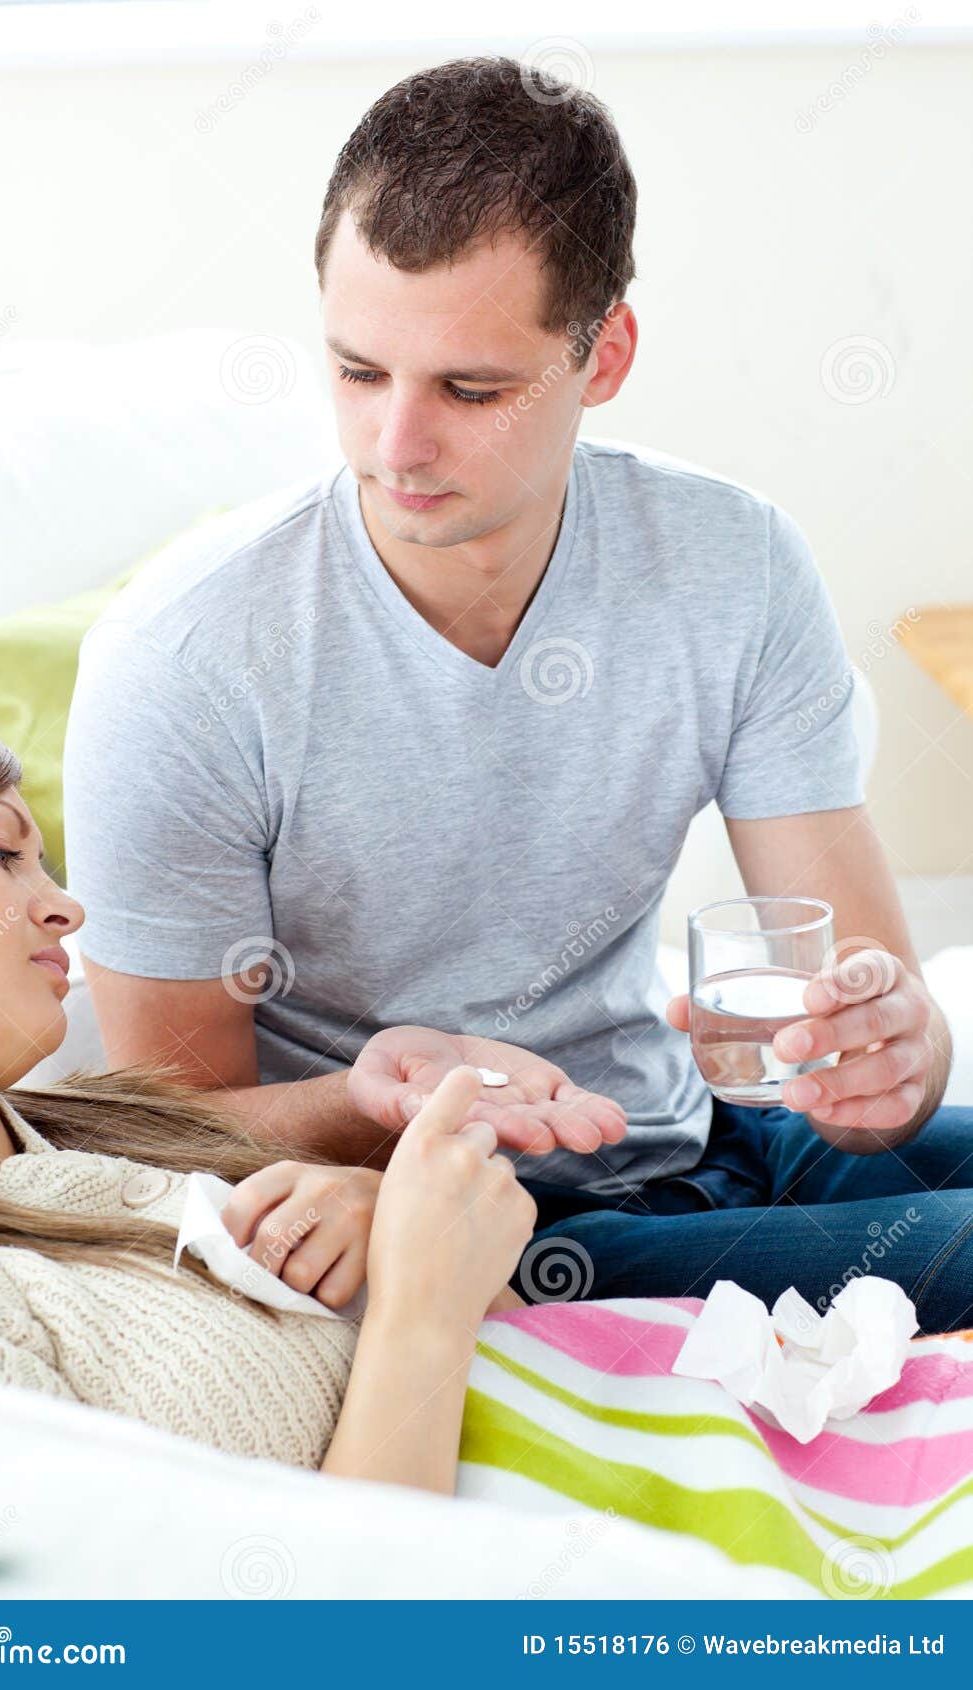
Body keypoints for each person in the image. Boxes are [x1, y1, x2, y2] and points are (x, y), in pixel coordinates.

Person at [62, 55, 972, 1329]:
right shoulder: (186, 658)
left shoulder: (733, 565)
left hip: (699, 1133)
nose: (395, 448)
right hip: (478, 1220)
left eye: (468, 389)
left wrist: (898, 1054)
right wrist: (378, 1116)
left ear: (603, 356)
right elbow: (162, 1136)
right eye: (359, 371)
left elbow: (875, 1000)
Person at [0, 697, 620, 1494]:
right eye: (4, 851)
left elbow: (523, 1347)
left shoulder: (97, 1145)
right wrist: (421, 1312)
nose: (66, 909)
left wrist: (376, 1203)